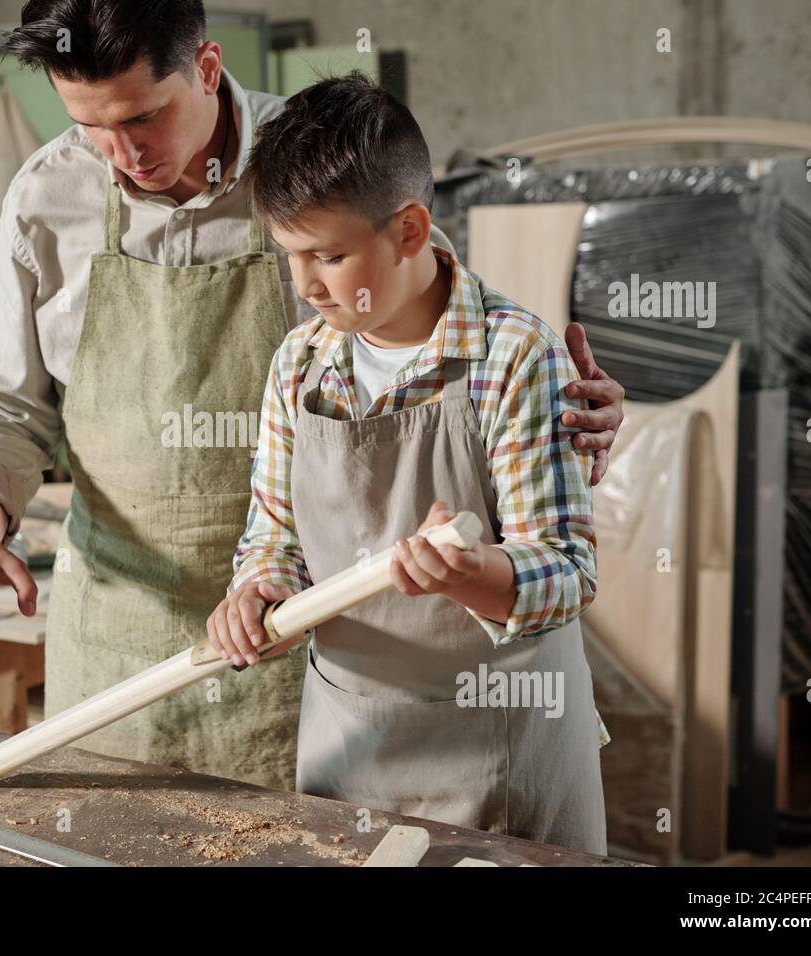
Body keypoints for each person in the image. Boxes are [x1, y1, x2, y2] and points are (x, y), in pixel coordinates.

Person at [0, 1, 625, 795]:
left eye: (144, 117)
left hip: (309, 637)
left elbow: (437, 329)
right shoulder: (45, 197)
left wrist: (556, 409)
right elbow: (0, 404)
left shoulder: (309, 164)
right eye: (91, 125)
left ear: (204, 67)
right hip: (120, 636)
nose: (123, 154)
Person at [206, 73, 608, 852]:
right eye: (290, 254)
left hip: (500, 744)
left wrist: (470, 576)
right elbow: (277, 536)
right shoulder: (299, 365)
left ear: (411, 231)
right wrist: (259, 596)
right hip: (353, 744)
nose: (305, 284)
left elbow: (567, 570)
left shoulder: (514, 356)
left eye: (328, 254)